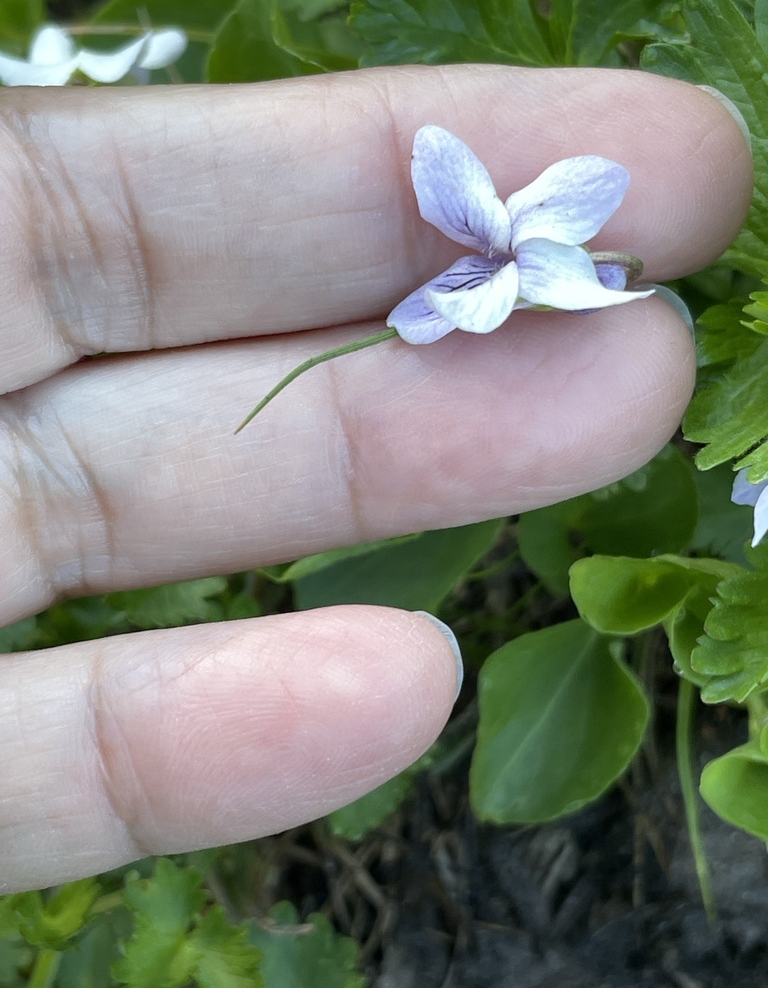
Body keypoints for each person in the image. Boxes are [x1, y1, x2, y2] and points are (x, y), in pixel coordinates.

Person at [0, 65, 753, 894]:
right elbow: (461, 285)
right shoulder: (507, 266)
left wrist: (593, 285)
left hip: (547, 267)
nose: (466, 275)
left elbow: (497, 280)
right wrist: (578, 286)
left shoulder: (533, 262)